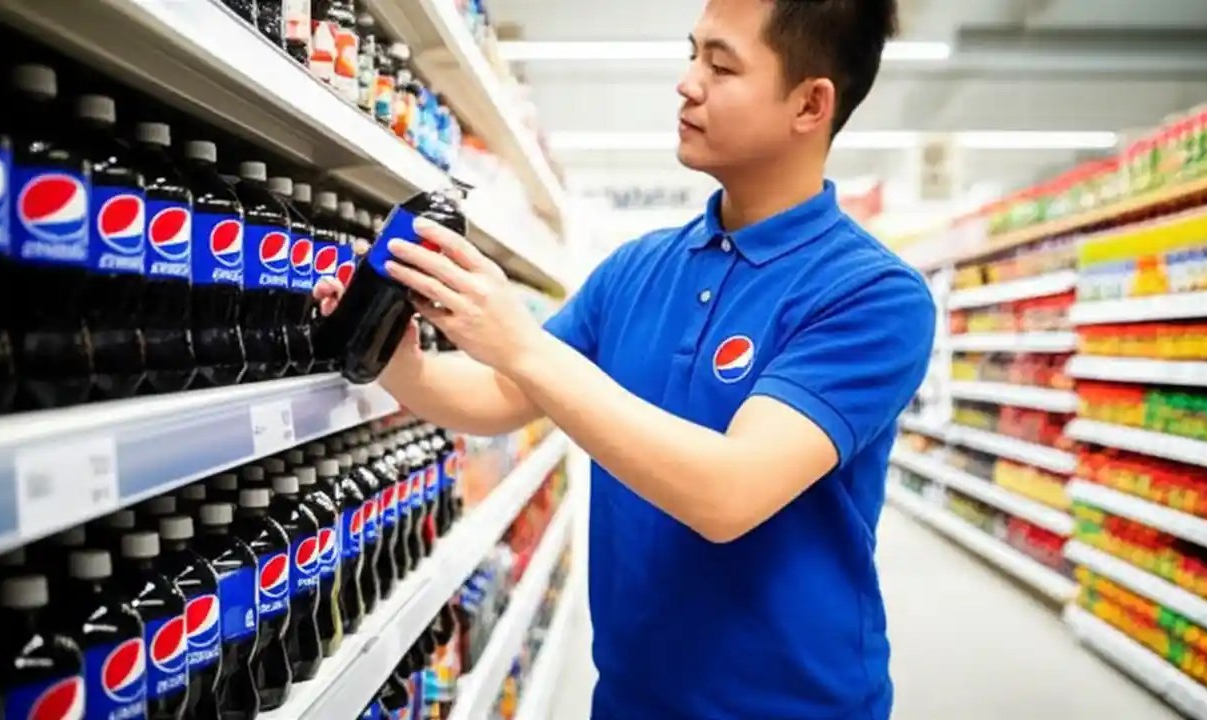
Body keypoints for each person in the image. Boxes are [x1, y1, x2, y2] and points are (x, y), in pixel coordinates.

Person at [317, 0, 932, 716]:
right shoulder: (639, 268)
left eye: (721, 64)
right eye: (692, 53)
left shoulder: (873, 295)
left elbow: (728, 495)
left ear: (810, 104)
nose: (687, 82)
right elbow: (498, 395)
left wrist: (518, 340)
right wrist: (401, 360)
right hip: (631, 697)